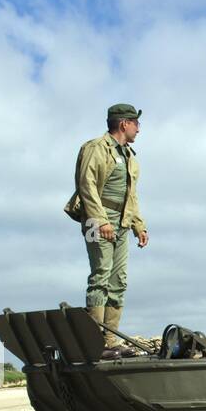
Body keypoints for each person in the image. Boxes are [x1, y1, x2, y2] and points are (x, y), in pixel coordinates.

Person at [64, 103, 148, 354]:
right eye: (136, 123)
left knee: (119, 281)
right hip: (96, 221)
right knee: (101, 276)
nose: (139, 129)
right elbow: (86, 185)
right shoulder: (95, 148)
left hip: (121, 223)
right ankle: (94, 342)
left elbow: (130, 196)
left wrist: (138, 225)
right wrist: (101, 221)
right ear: (124, 123)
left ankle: (110, 340)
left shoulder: (129, 156)